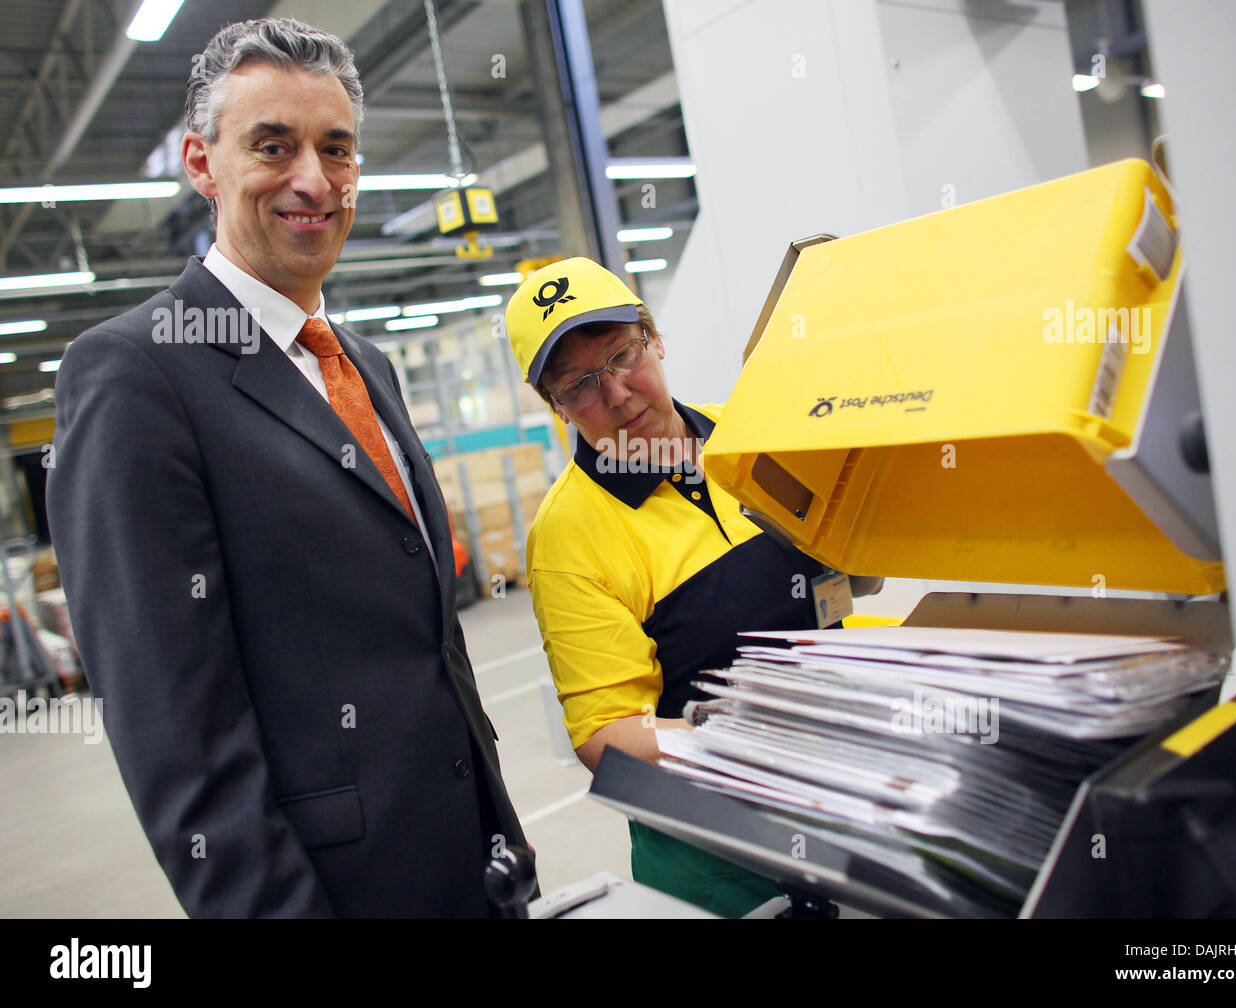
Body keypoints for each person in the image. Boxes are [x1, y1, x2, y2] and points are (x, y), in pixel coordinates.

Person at [45, 17, 526, 918]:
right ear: (201, 163)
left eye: (336, 149)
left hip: (472, 869)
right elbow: (175, 733)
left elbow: (427, 648)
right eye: (273, 145)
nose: (314, 179)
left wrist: (500, 838)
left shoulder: (362, 364)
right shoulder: (137, 373)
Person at [506, 258, 833, 917]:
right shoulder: (570, 534)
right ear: (557, 409)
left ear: (655, 338)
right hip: (719, 860)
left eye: (624, 355)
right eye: (579, 386)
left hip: (839, 796)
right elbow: (603, 737)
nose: (619, 394)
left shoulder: (747, 436)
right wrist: (737, 733)